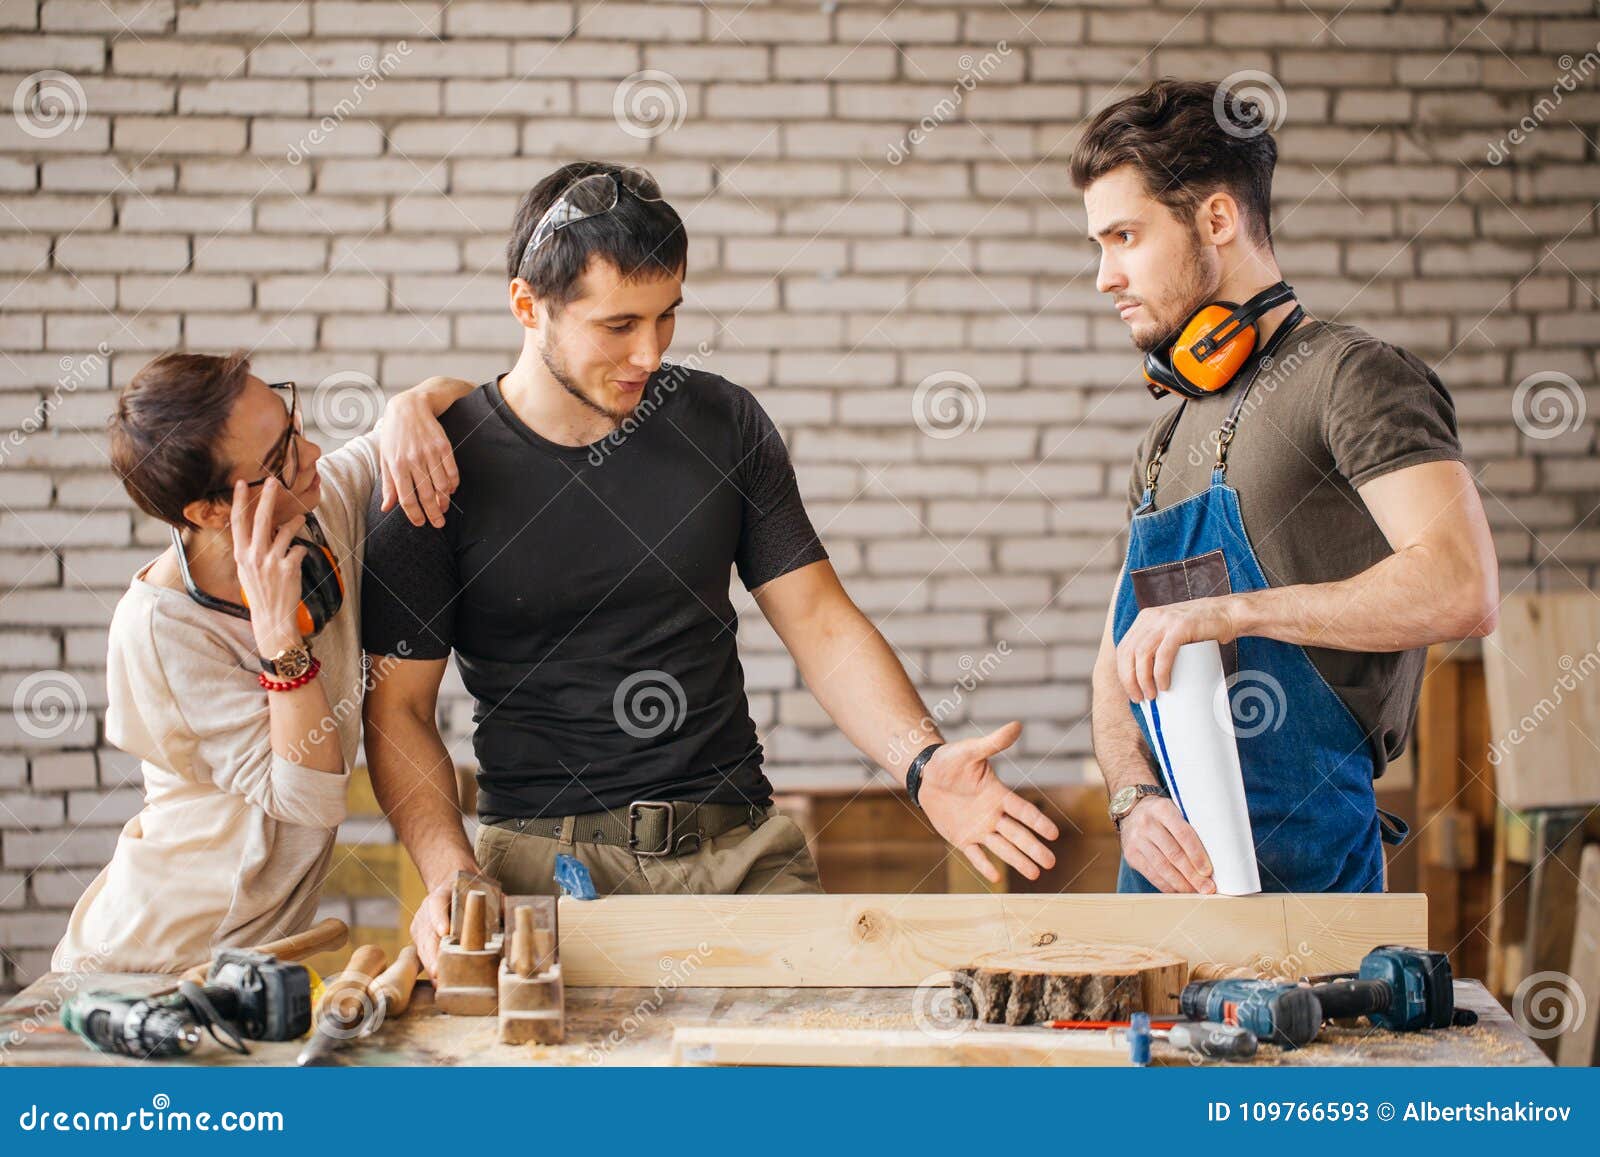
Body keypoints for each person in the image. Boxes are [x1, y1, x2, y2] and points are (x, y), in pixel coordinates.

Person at [360, 161, 1061, 974]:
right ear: (528, 306)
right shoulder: (435, 467)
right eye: (619, 325)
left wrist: (921, 762)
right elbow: (398, 708)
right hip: (542, 870)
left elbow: (820, 623)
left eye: (667, 316)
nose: (649, 352)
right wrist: (450, 872)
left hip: (742, 854)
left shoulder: (721, 422)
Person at [1076, 80, 1499, 894]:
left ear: (1218, 219)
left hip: (1309, 880)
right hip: (1164, 881)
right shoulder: (1163, 442)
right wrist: (1132, 799)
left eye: (1125, 237)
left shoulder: (1354, 378)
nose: (1105, 276)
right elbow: (1113, 663)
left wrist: (1234, 612)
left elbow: (1462, 585)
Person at [51, 353, 472, 973]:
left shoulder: (315, 504)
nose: (312, 452)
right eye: (279, 459)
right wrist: (278, 634)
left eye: (293, 424)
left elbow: (464, 402)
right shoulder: (161, 630)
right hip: (155, 963)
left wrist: (410, 405)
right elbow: (309, 800)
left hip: (254, 958)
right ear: (210, 512)